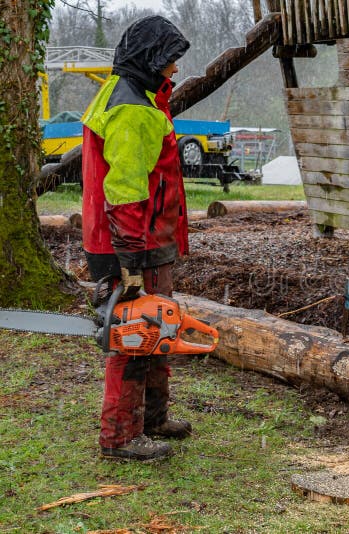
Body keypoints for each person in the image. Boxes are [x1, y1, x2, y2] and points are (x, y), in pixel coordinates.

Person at [81, 16, 192, 461]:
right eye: (169, 62)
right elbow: (125, 192)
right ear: (150, 60)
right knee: (134, 335)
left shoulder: (130, 94)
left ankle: (152, 418)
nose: (175, 71)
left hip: (147, 237)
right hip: (134, 242)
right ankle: (120, 437)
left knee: (158, 326)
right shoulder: (133, 110)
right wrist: (127, 264)